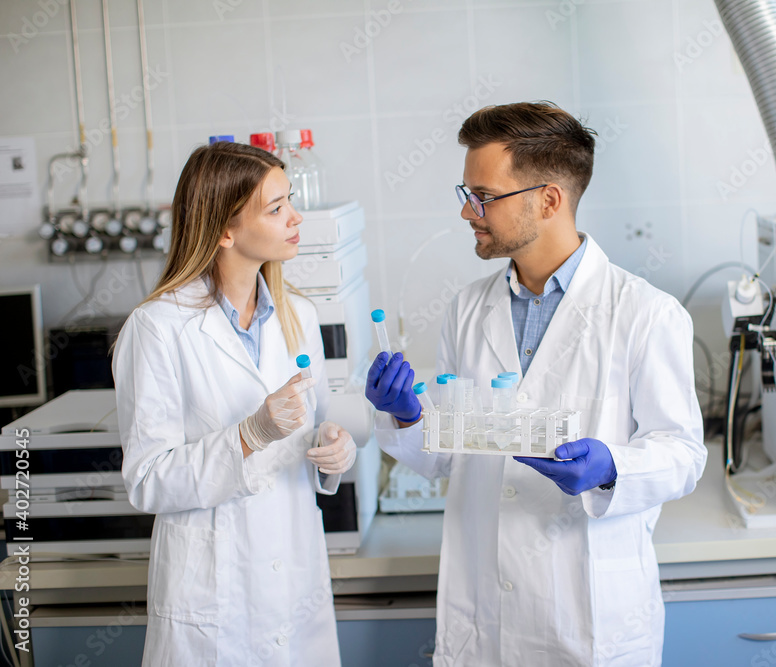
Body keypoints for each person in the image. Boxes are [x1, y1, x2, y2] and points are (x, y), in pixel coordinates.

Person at [365, 102, 707, 666]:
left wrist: (611, 468)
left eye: (484, 197)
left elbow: (683, 454)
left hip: (586, 618)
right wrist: (407, 417)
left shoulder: (646, 313)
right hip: (484, 620)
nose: (468, 212)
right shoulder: (467, 309)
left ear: (548, 200)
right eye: (466, 194)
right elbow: (448, 457)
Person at [113, 141, 355, 666]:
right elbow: (147, 480)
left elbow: (316, 428)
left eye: (289, 201)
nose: (296, 218)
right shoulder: (157, 328)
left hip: (294, 586)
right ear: (224, 230)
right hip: (213, 604)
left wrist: (334, 451)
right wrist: (250, 435)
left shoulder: (299, 317)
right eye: (276, 209)